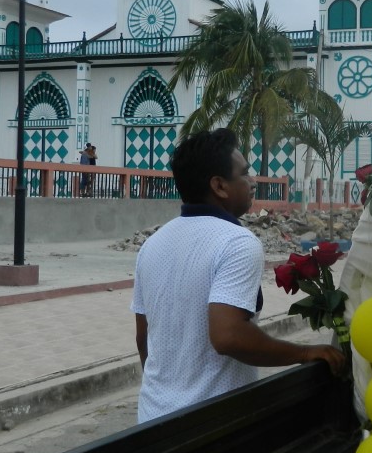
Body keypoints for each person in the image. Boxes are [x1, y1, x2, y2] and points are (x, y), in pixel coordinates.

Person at [133, 128, 346, 423]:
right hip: (213, 424)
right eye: (244, 174)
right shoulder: (236, 241)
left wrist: (167, 395)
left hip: (152, 420)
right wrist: (304, 353)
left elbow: (143, 338)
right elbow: (229, 336)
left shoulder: (152, 245)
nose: (252, 181)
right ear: (220, 186)